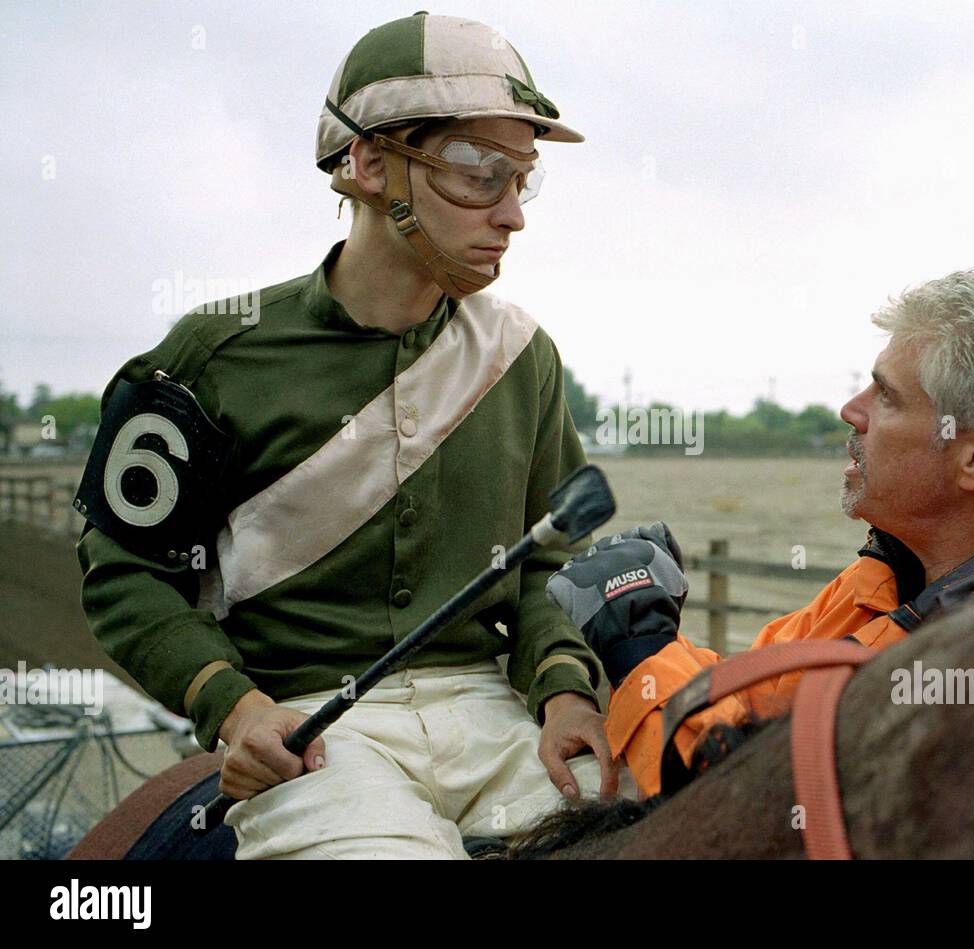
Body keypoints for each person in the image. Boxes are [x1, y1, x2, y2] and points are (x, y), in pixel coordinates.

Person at [75, 13, 617, 859]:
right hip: (308, 726)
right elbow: (126, 569)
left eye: (524, 179)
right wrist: (236, 706)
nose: (513, 213)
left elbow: (551, 557)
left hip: (495, 718)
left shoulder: (524, 358)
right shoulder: (209, 354)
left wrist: (564, 690)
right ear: (369, 164)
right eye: (480, 172)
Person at [547, 270, 974, 797]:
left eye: (888, 397)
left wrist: (640, 651)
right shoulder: (903, 571)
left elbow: (764, 816)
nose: (852, 410)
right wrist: (668, 653)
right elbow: (759, 705)